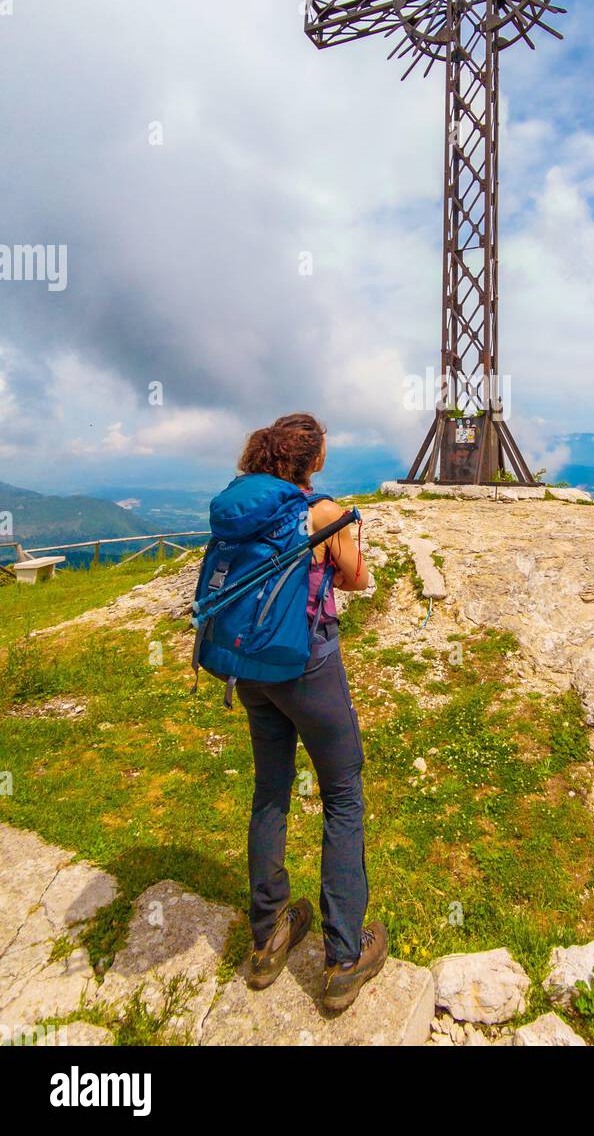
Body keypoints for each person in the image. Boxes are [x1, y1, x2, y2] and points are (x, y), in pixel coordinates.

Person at [212, 412, 387, 1010]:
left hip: (249, 666)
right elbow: (359, 580)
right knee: (342, 790)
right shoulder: (323, 511)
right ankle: (344, 955)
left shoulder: (243, 505)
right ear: (311, 458)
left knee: (270, 788)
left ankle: (267, 938)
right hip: (306, 661)